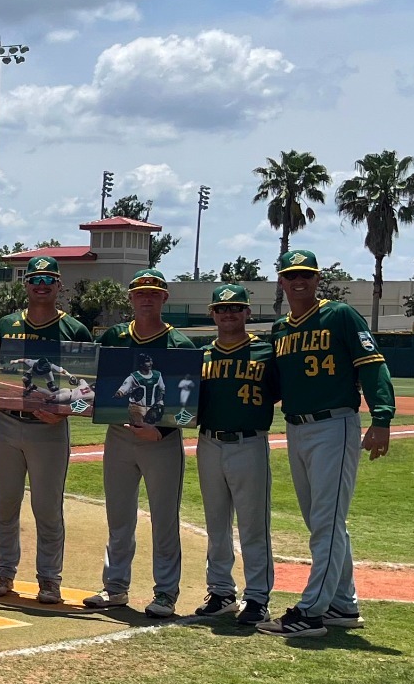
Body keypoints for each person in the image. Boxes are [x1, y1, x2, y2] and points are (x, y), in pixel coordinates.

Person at [257, 249, 396, 638]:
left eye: (306, 274)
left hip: (335, 425)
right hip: (297, 428)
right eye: (290, 275)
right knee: (324, 520)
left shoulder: (340, 315)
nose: (298, 281)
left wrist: (381, 417)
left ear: (318, 279)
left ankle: (311, 611)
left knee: (326, 521)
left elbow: (372, 364)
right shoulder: (281, 328)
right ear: (281, 282)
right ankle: (342, 604)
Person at [0, 255, 92, 604]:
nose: (41, 285)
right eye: (35, 279)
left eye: (49, 279)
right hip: (8, 424)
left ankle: (49, 578)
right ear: (25, 284)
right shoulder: (7, 324)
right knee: (5, 503)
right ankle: (4, 572)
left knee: (46, 508)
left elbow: (90, 391)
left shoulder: (75, 330)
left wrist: (65, 413)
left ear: (59, 285)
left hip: (50, 430)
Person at [87, 268, 195, 616]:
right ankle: (115, 587)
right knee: (119, 516)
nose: (146, 297)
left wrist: (160, 432)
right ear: (131, 298)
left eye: (154, 292)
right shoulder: (116, 337)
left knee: (164, 517)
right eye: (140, 292)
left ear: (164, 297)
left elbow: (189, 402)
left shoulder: (180, 344)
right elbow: (102, 386)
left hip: (160, 439)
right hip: (120, 434)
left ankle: (165, 592)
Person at [193, 283, 278, 625]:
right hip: (209, 441)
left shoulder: (265, 352)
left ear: (247, 312)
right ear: (212, 313)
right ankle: (221, 591)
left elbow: (276, 392)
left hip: (249, 441)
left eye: (235, 308)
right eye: (221, 309)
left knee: (253, 524)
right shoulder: (202, 355)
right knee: (216, 522)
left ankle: (257, 596)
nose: (228, 314)